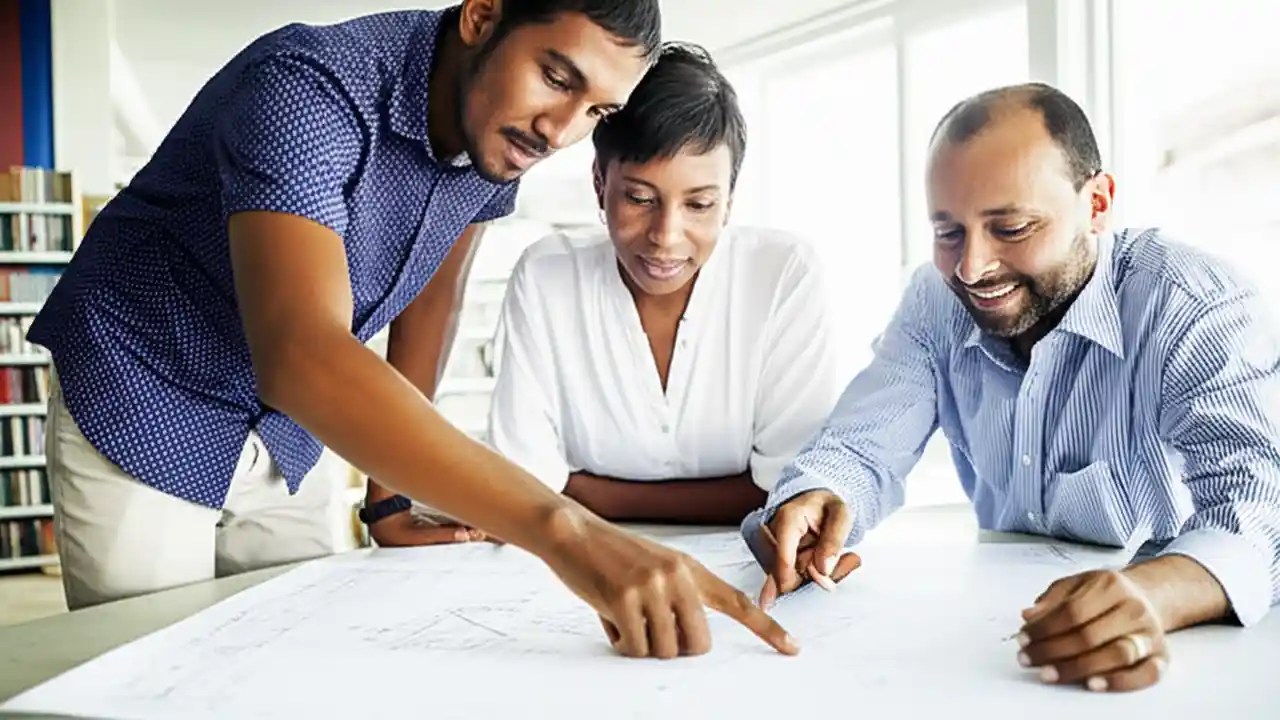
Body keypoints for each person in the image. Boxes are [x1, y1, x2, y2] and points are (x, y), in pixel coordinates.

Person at [28, 0, 798, 660]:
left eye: (596, 110)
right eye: (557, 77)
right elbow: (299, 353)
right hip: (148, 382)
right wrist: (567, 532)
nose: (562, 130)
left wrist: (388, 494)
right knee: (155, 666)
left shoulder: (504, 132)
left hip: (291, 431)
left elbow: (432, 277)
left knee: (286, 652)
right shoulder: (307, 88)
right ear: (483, 15)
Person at [747, 82, 1280, 690]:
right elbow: (859, 447)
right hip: (987, 662)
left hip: (1181, 665)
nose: (972, 268)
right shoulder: (935, 298)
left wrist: (1154, 591)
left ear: (1098, 203)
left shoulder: (1192, 303)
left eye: (1013, 227)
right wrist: (816, 496)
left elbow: (1263, 502)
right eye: (949, 233)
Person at [487, 43, 835, 525]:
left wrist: (588, 492)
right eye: (639, 198)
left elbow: (791, 487)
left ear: (729, 200)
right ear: (599, 185)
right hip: (580, 566)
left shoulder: (782, 273)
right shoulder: (547, 276)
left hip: (748, 569)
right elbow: (525, 483)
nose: (665, 238)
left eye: (699, 205)